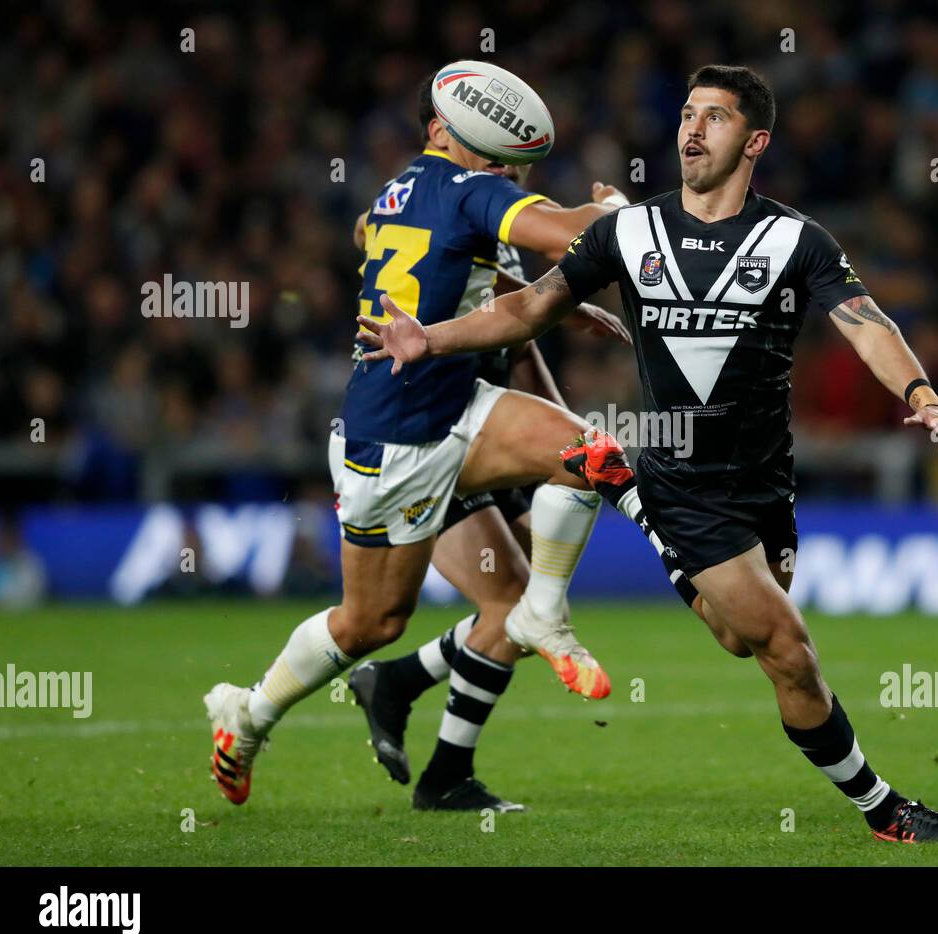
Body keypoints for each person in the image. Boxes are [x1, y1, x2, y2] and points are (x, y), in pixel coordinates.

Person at [356, 65, 938, 842]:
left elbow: (865, 320)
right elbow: (527, 307)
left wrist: (922, 395)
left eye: (713, 117)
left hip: (763, 482)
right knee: (789, 651)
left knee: (734, 637)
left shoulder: (794, 238)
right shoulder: (628, 231)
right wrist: (432, 336)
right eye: (686, 113)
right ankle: (884, 809)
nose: (691, 128)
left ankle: (653, 541)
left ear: (754, 142)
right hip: (684, 480)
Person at [206, 71, 631, 813]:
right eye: (505, 160)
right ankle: (248, 717)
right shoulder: (473, 189)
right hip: (396, 443)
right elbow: (573, 234)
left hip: (457, 410)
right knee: (370, 622)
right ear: (444, 131)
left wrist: (544, 304)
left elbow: (393, 248)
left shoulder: (400, 193)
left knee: (589, 457)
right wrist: (614, 209)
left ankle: (536, 628)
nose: (509, 172)